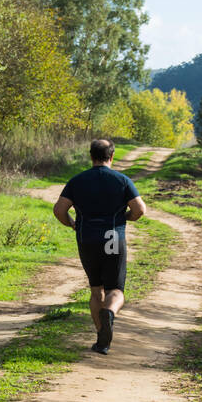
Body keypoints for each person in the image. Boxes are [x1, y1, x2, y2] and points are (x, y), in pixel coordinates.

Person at [52, 139, 146, 355]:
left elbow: (59, 210)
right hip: (113, 238)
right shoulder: (121, 180)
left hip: (87, 239)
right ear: (111, 156)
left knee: (96, 290)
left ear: (91, 156)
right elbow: (140, 209)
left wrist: (73, 224)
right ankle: (110, 314)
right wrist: (127, 217)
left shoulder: (77, 181)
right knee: (115, 289)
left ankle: (102, 339)